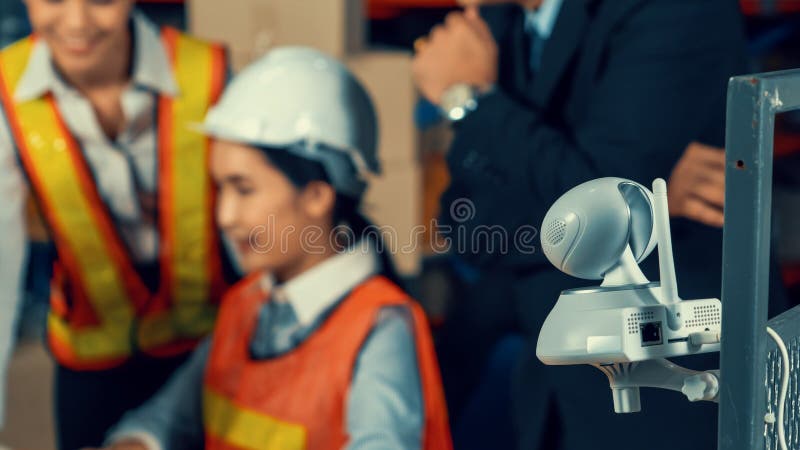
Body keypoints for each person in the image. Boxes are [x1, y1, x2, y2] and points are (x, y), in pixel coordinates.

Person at [412, 0, 789, 448]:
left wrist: (469, 100)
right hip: (555, 387)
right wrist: (641, 199)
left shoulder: (674, 9)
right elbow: (467, 225)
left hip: (673, 390)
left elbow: (603, 213)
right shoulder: (498, 26)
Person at [94, 47, 453, 450]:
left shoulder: (380, 331)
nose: (225, 216)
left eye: (244, 189)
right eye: (220, 188)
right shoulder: (245, 306)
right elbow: (167, 418)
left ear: (317, 196)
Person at [0, 0, 232, 447]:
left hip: (209, 346)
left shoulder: (209, 73)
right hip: (91, 357)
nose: (76, 22)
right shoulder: (6, 89)